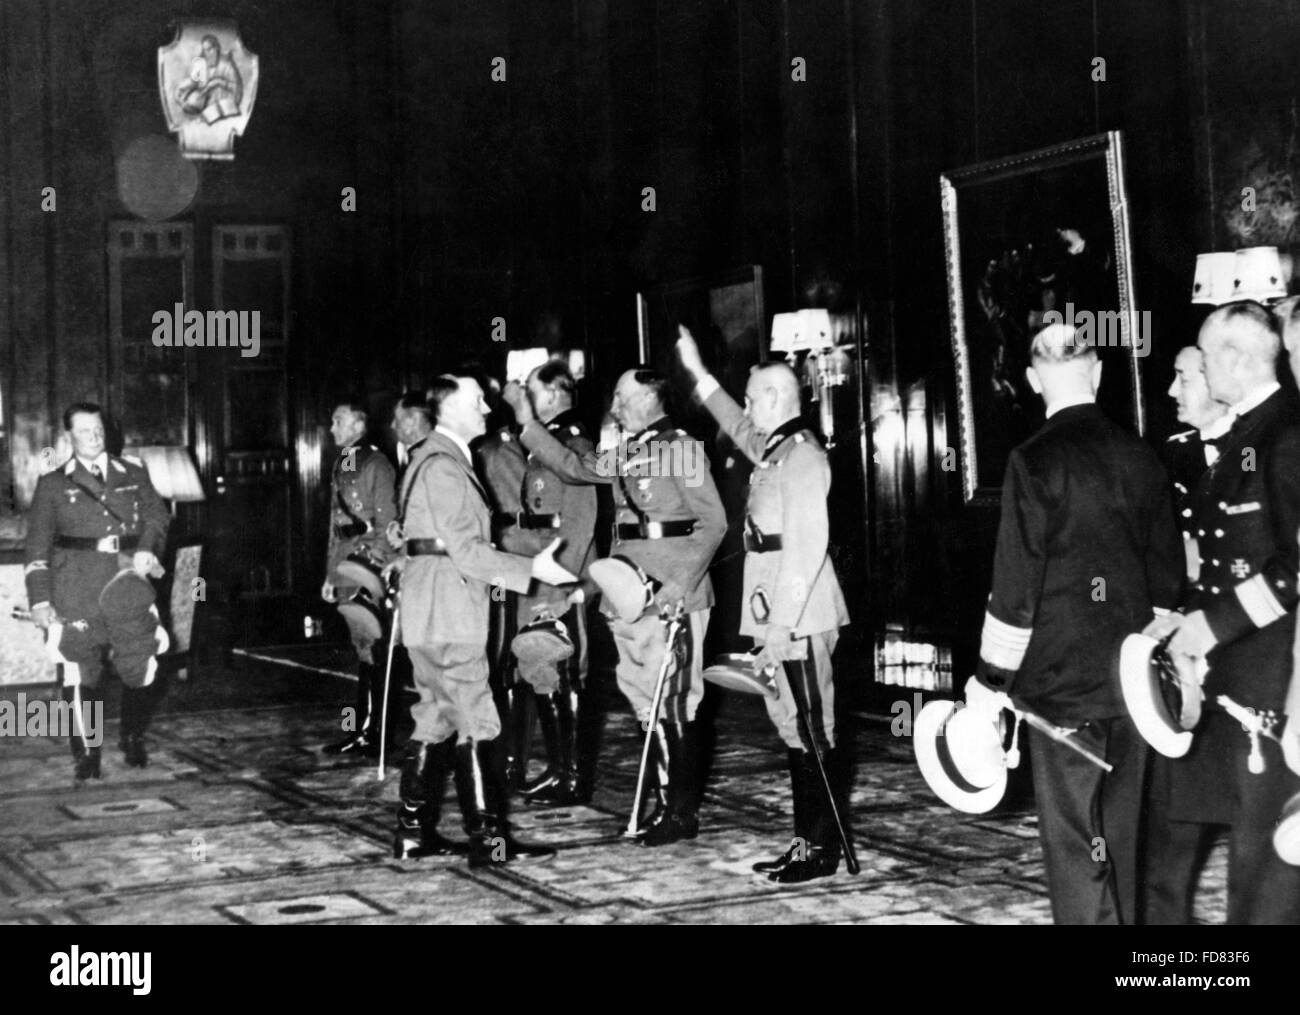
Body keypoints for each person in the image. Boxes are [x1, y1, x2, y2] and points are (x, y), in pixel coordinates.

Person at [971, 324, 1183, 924]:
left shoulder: (1032, 461)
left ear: (1035, 382)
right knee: (1120, 839)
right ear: (1097, 373)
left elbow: (1017, 590)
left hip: (1062, 689)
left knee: (1074, 846)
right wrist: (1150, 665)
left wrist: (990, 679)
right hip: (1134, 686)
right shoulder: (1140, 454)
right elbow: (1168, 581)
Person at [506, 367, 727, 846]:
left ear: (651, 396)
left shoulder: (681, 448)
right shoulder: (628, 449)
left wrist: (679, 585)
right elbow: (572, 467)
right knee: (644, 700)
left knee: (672, 700)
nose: (615, 405)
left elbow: (714, 524)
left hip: (671, 592)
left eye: (623, 396)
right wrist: (527, 423)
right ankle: (663, 804)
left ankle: (678, 813)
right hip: (628, 590)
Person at [676, 327, 852, 882]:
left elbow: (806, 548)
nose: (749, 407)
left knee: (810, 726)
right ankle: (806, 843)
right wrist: (697, 371)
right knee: (790, 723)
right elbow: (737, 424)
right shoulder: (775, 448)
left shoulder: (802, 457)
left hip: (797, 614)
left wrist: (781, 624)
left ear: (777, 397)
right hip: (774, 611)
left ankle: (818, 850)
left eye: (754, 397)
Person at [1149, 301, 1300, 924]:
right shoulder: (1243, 434)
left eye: (1206, 358)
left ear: (1236, 357)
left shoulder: (1285, 437)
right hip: (1215, 682)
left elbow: (1293, 570)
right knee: (1165, 844)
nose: (1200, 371)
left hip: (1265, 689)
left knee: (1261, 878)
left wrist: (1212, 625)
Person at [385, 384, 574, 866]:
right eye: (477, 402)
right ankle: (489, 840)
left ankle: (412, 832)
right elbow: (467, 552)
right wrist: (532, 572)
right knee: (475, 718)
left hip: (426, 611)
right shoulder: (446, 465)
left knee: (435, 715)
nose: (488, 408)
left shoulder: (425, 458)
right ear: (447, 407)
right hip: (451, 609)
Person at [25, 403, 171, 781]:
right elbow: (37, 547)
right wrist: (40, 600)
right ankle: (86, 752)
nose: (93, 436)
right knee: (78, 670)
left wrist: (147, 547)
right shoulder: (54, 483)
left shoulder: (133, 472)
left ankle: (133, 736)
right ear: (68, 437)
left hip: (127, 585)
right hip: (75, 587)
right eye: (84, 430)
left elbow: (158, 516)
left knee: (142, 664)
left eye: (98, 429)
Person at [1143, 346, 1236, 924]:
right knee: (1171, 831)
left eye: (1183, 377)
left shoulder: (1267, 444)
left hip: (1251, 661)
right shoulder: (1171, 455)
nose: (1172, 391)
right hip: (1187, 662)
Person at [497, 361, 599, 804]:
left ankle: (573, 777)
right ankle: (557, 770)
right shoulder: (543, 446)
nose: (526, 400)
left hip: (559, 572)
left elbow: (580, 518)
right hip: (538, 567)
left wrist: (568, 578)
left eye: (533, 392)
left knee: (562, 667)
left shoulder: (572, 444)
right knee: (538, 668)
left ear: (557, 394)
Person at [319, 403, 398, 757]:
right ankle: (362, 729)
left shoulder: (376, 463)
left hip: (366, 565)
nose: (331, 426)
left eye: (337, 420)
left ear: (357, 423)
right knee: (361, 649)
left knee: (373, 648)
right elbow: (336, 526)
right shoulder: (344, 461)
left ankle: (375, 731)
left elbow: (387, 524)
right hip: (347, 564)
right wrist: (331, 573)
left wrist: (375, 569)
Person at [475, 396, 534, 791]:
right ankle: (506, 757)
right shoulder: (504, 447)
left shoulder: (492, 451)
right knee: (502, 659)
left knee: (502, 658)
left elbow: (515, 510)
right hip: (504, 561)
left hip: (504, 562)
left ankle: (509, 759)